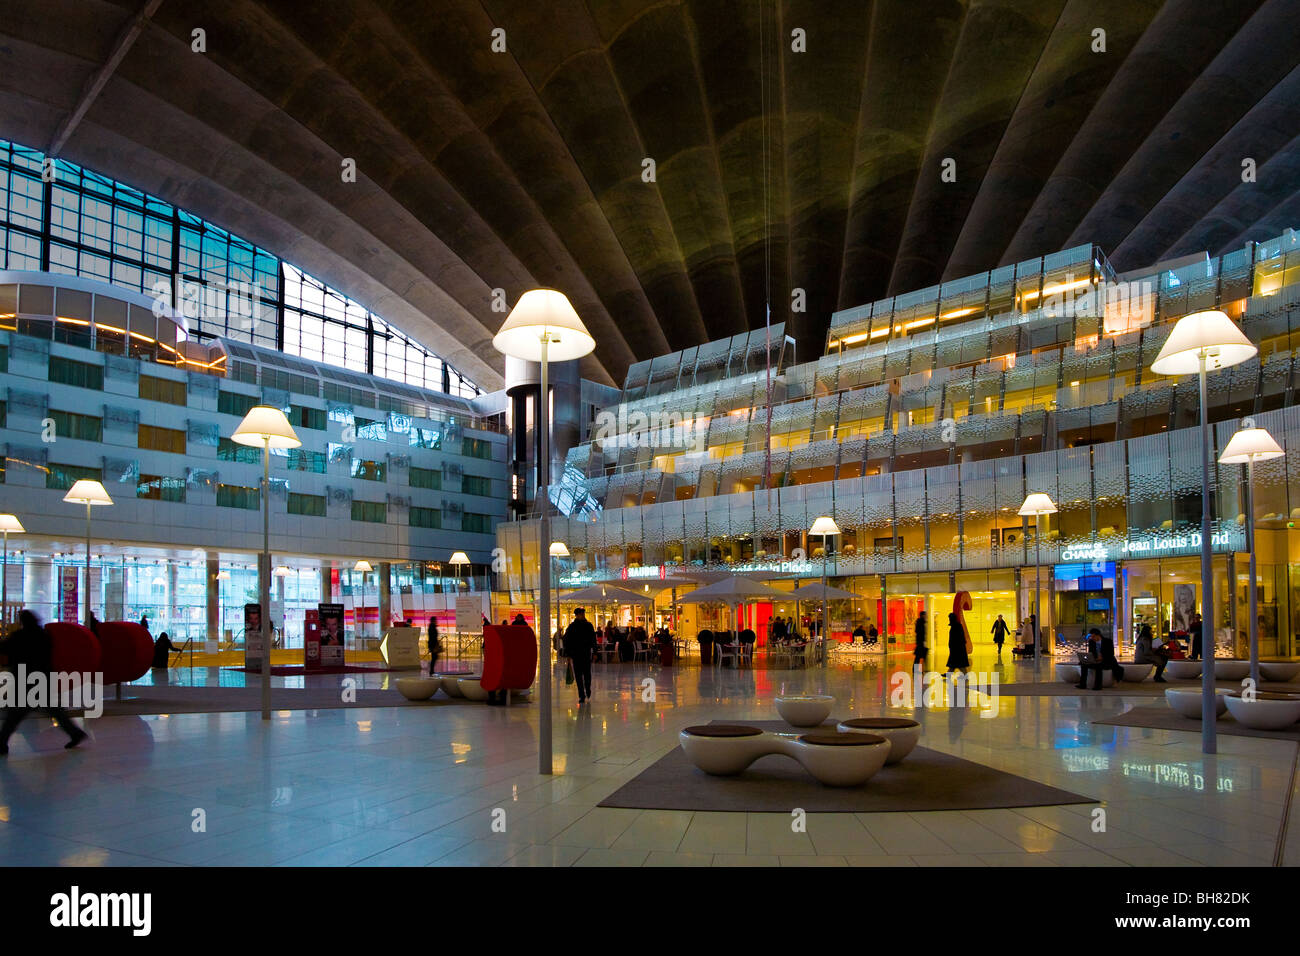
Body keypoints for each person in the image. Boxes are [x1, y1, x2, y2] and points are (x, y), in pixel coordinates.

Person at [0, 611, 88, 754]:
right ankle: (75, 733)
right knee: (54, 710)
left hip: (25, 680)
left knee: (15, 714)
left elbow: (5, 648)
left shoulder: (20, 636)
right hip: (42, 678)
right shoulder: (43, 635)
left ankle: (1, 742)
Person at [562, 607, 596, 704]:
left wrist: (595, 652)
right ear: (576, 615)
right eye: (580, 614)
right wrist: (568, 655)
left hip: (585, 653)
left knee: (587, 674)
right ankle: (581, 694)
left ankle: (587, 688)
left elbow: (593, 639)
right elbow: (566, 640)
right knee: (578, 675)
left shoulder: (588, 625)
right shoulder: (572, 627)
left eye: (583, 614)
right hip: (576, 654)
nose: (582, 615)